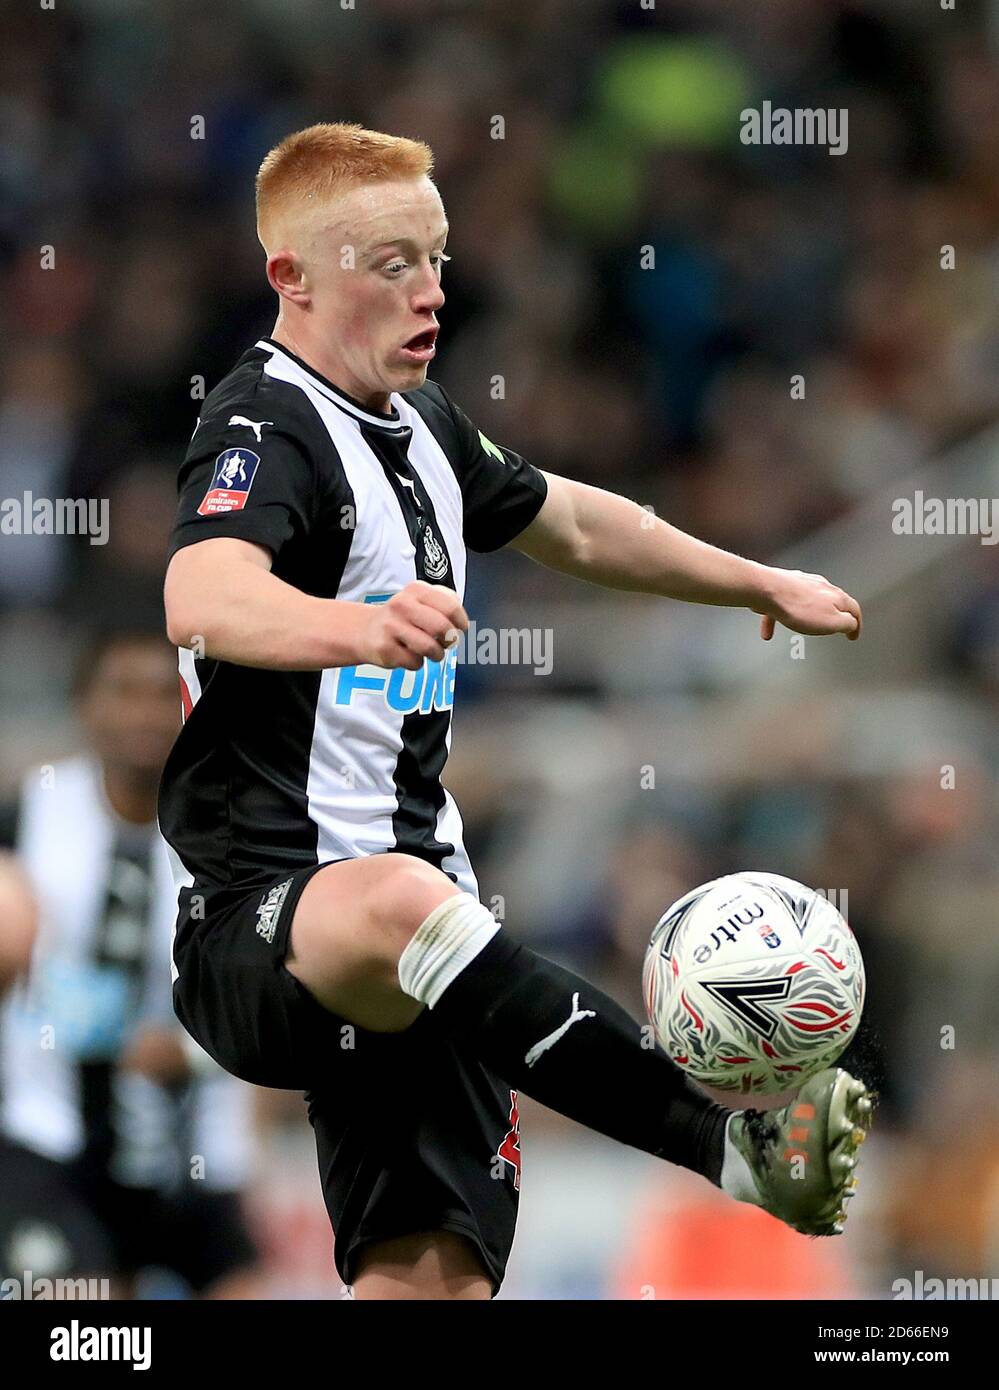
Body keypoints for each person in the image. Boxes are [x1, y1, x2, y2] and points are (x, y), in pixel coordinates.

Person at [161, 122, 873, 1301]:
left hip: (424, 945)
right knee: (403, 901)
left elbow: (579, 522)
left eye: (437, 258)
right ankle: (723, 1142)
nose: (430, 289)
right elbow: (203, 587)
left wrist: (757, 578)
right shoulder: (260, 425)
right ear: (290, 276)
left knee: (430, 1278)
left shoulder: (426, 423)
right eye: (390, 263)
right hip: (264, 923)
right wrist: (356, 626)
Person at [0, 630, 260, 1297]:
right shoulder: (28, 814)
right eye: (122, 692)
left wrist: (192, 1054)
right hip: (50, 1142)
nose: (142, 715)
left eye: (158, 694)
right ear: (85, 705)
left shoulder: (240, 838)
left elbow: (283, 996)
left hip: (193, 1153)